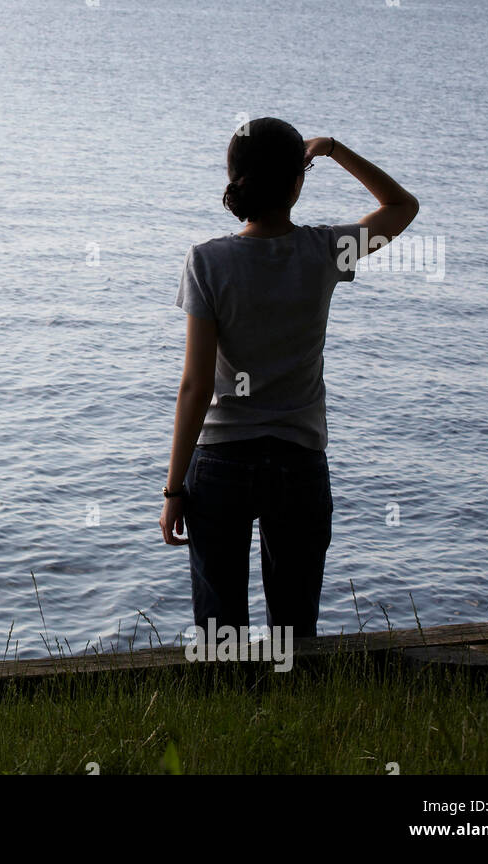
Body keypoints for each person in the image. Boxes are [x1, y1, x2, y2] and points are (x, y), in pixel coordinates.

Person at [159, 117, 418, 638]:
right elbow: (401, 207)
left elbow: (196, 385)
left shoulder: (207, 261)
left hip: (222, 462)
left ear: (234, 178)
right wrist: (333, 149)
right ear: (297, 184)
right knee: (295, 632)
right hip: (298, 463)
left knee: (218, 634)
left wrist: (173, 489)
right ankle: (291, 708)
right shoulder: (325, 251)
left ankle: (227, 710)